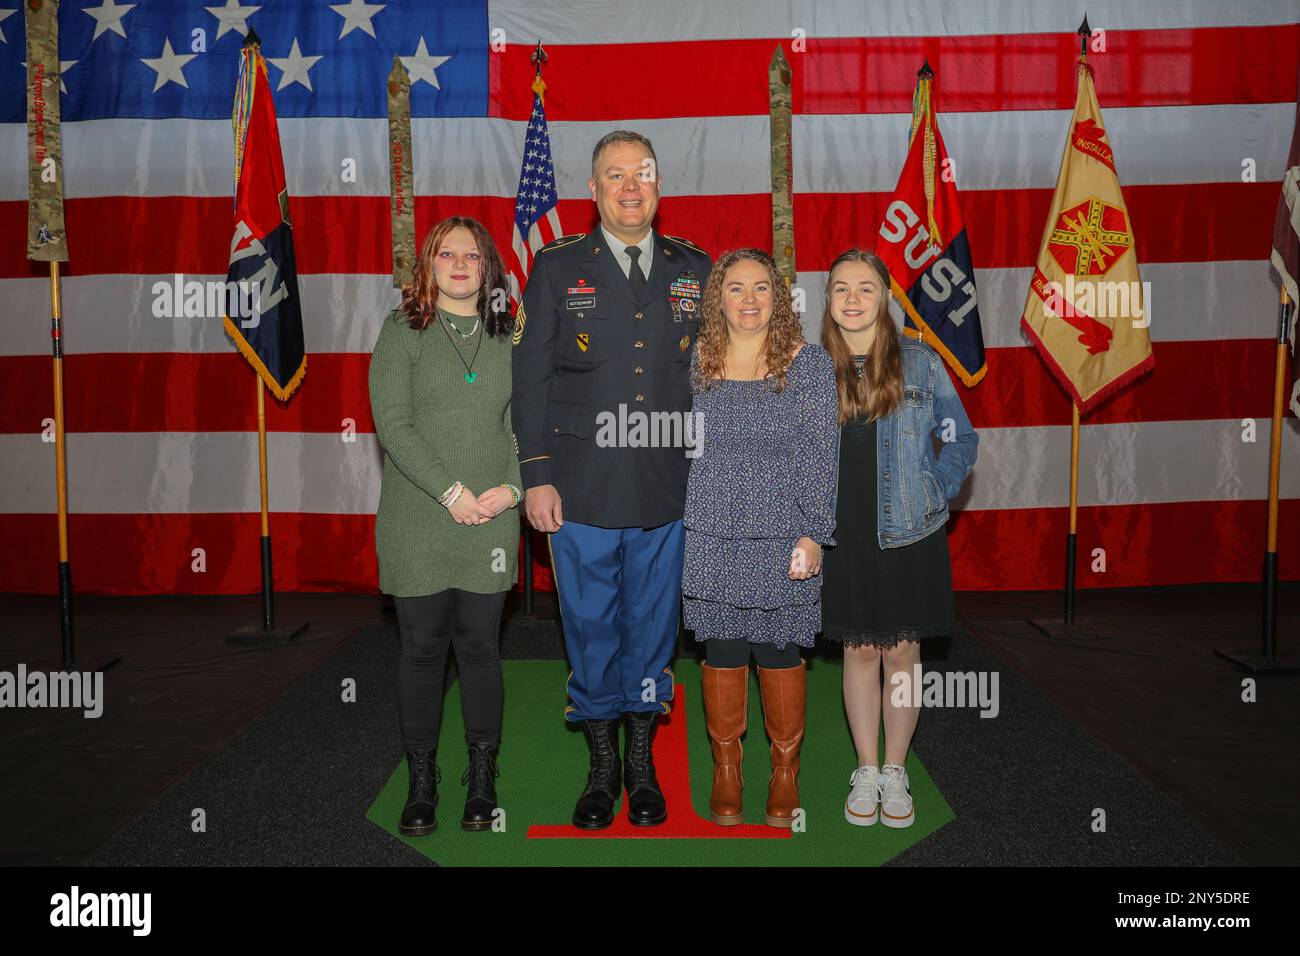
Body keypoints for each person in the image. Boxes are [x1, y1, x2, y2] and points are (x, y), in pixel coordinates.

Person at [512, 130, 712, 829]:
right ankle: (601, 765)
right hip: (580, 486)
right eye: (615, 176)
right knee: (592, 626)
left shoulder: (696, 266)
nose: (631, 187)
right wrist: (536, 476)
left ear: (659, 185)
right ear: (592, 190)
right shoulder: (557, 266)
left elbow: (715, 379)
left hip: (667, 484)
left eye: (643, 174)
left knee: (654, 628)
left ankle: (641, 765)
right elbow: (530, 376)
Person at [368, 216, 523, 836]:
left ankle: (483, 778)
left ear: (488, 267)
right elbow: (393, 425)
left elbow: (527, 421)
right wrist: (451, 491)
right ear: (427, 266)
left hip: (491, 517)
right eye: (446, 255)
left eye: (471, 256)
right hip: (418, 519)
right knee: (423, 650)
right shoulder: (402, 329)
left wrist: (511, 488)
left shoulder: (510, 332)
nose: (460, 265)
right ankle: (421, 781)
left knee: (481, 648)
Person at [818, 248, 977, 829]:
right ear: (828, 299)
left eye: (865, 287)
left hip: (910, 527)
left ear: (884, 296)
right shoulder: (811, 367)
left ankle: (895, 769)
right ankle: (865, 768)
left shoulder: (921, 360)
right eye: (841, 288)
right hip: (842, 533)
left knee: (902, 651)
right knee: (859, 650)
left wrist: (936, 491)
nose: (853, 299)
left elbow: (961, 439)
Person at [682, 248, 839, 828]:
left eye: (761, 289)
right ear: (717, 298)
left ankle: (784, 770)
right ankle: (727, 769)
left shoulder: (808, 363)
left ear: (780, 297)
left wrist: (814, 534)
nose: (749, 300)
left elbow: (822, 455)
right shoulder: (697, 359)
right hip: (710, 529)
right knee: (720, 649)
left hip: (782, 533)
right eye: (736, 288)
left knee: (777, 648)